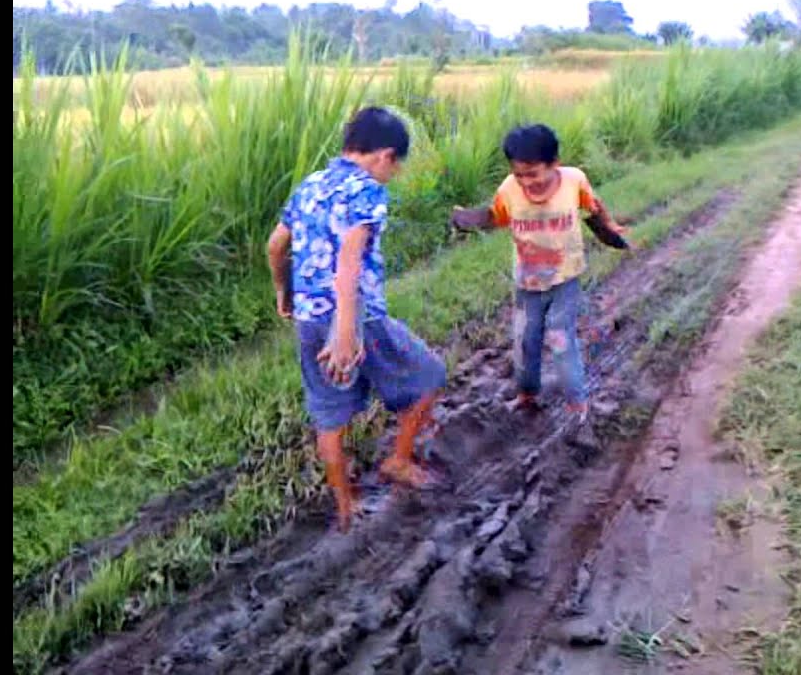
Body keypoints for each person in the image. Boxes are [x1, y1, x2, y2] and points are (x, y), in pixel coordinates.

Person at [267, 106, 446, 532]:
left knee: (330, 415)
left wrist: (283, 291)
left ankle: (346, 508)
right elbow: (348, 265)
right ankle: (399, 461)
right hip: (356, 319)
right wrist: (345, 331)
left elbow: (275, 246)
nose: (393, 174)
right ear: (385, 156)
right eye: (396, 165)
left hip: (309, 320)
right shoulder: (366, 190)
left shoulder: (310, 185)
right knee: (431, 375)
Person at [450, 124, 628, 446]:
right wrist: (468, 219)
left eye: (534, 174)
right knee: (525, 343)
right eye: (520, 175)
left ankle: (578, 406)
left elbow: (594, 206)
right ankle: (526, 395)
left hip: (565, 280)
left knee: (561, 340)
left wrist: (610, 225)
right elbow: (495, 217)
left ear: (554, 162)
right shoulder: (509, 189)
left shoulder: (574, 181)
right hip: (527, 282)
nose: (527, 182)